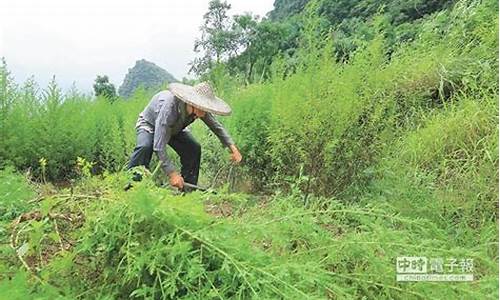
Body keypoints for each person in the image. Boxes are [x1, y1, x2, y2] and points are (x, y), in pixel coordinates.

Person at [127, 81, 242, 189]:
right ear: (193, 103)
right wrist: (172, 173)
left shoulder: (201, 110)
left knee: (193, 148)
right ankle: (130, 186)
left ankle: (188, 194)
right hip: (150, 125)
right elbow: (158, 146)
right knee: (145, 147)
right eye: (203, 108)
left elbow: (216, 127)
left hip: (174, 129)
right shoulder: (168, 108)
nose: (203, 114)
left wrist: (233, 148)